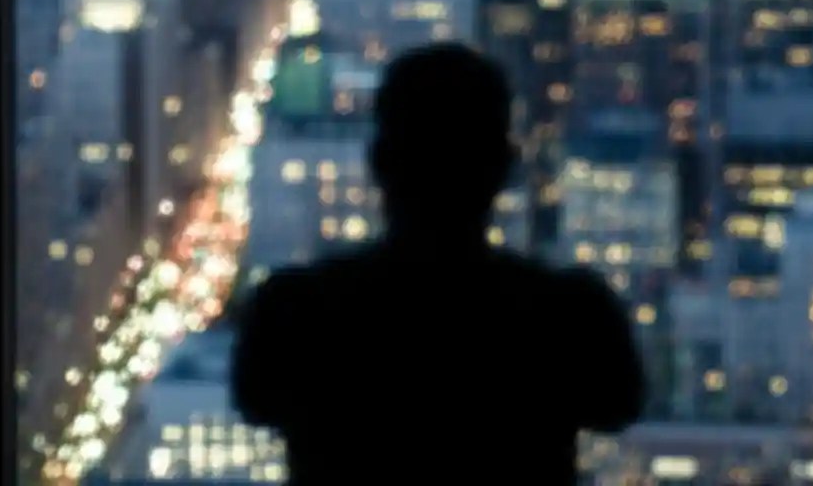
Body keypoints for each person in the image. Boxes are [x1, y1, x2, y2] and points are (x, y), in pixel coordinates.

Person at [231, 43, 645, 484]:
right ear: (504, 166)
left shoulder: (296, 312)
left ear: (380, 162)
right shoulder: (571, 316)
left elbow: (258, 400)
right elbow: (617, 405)